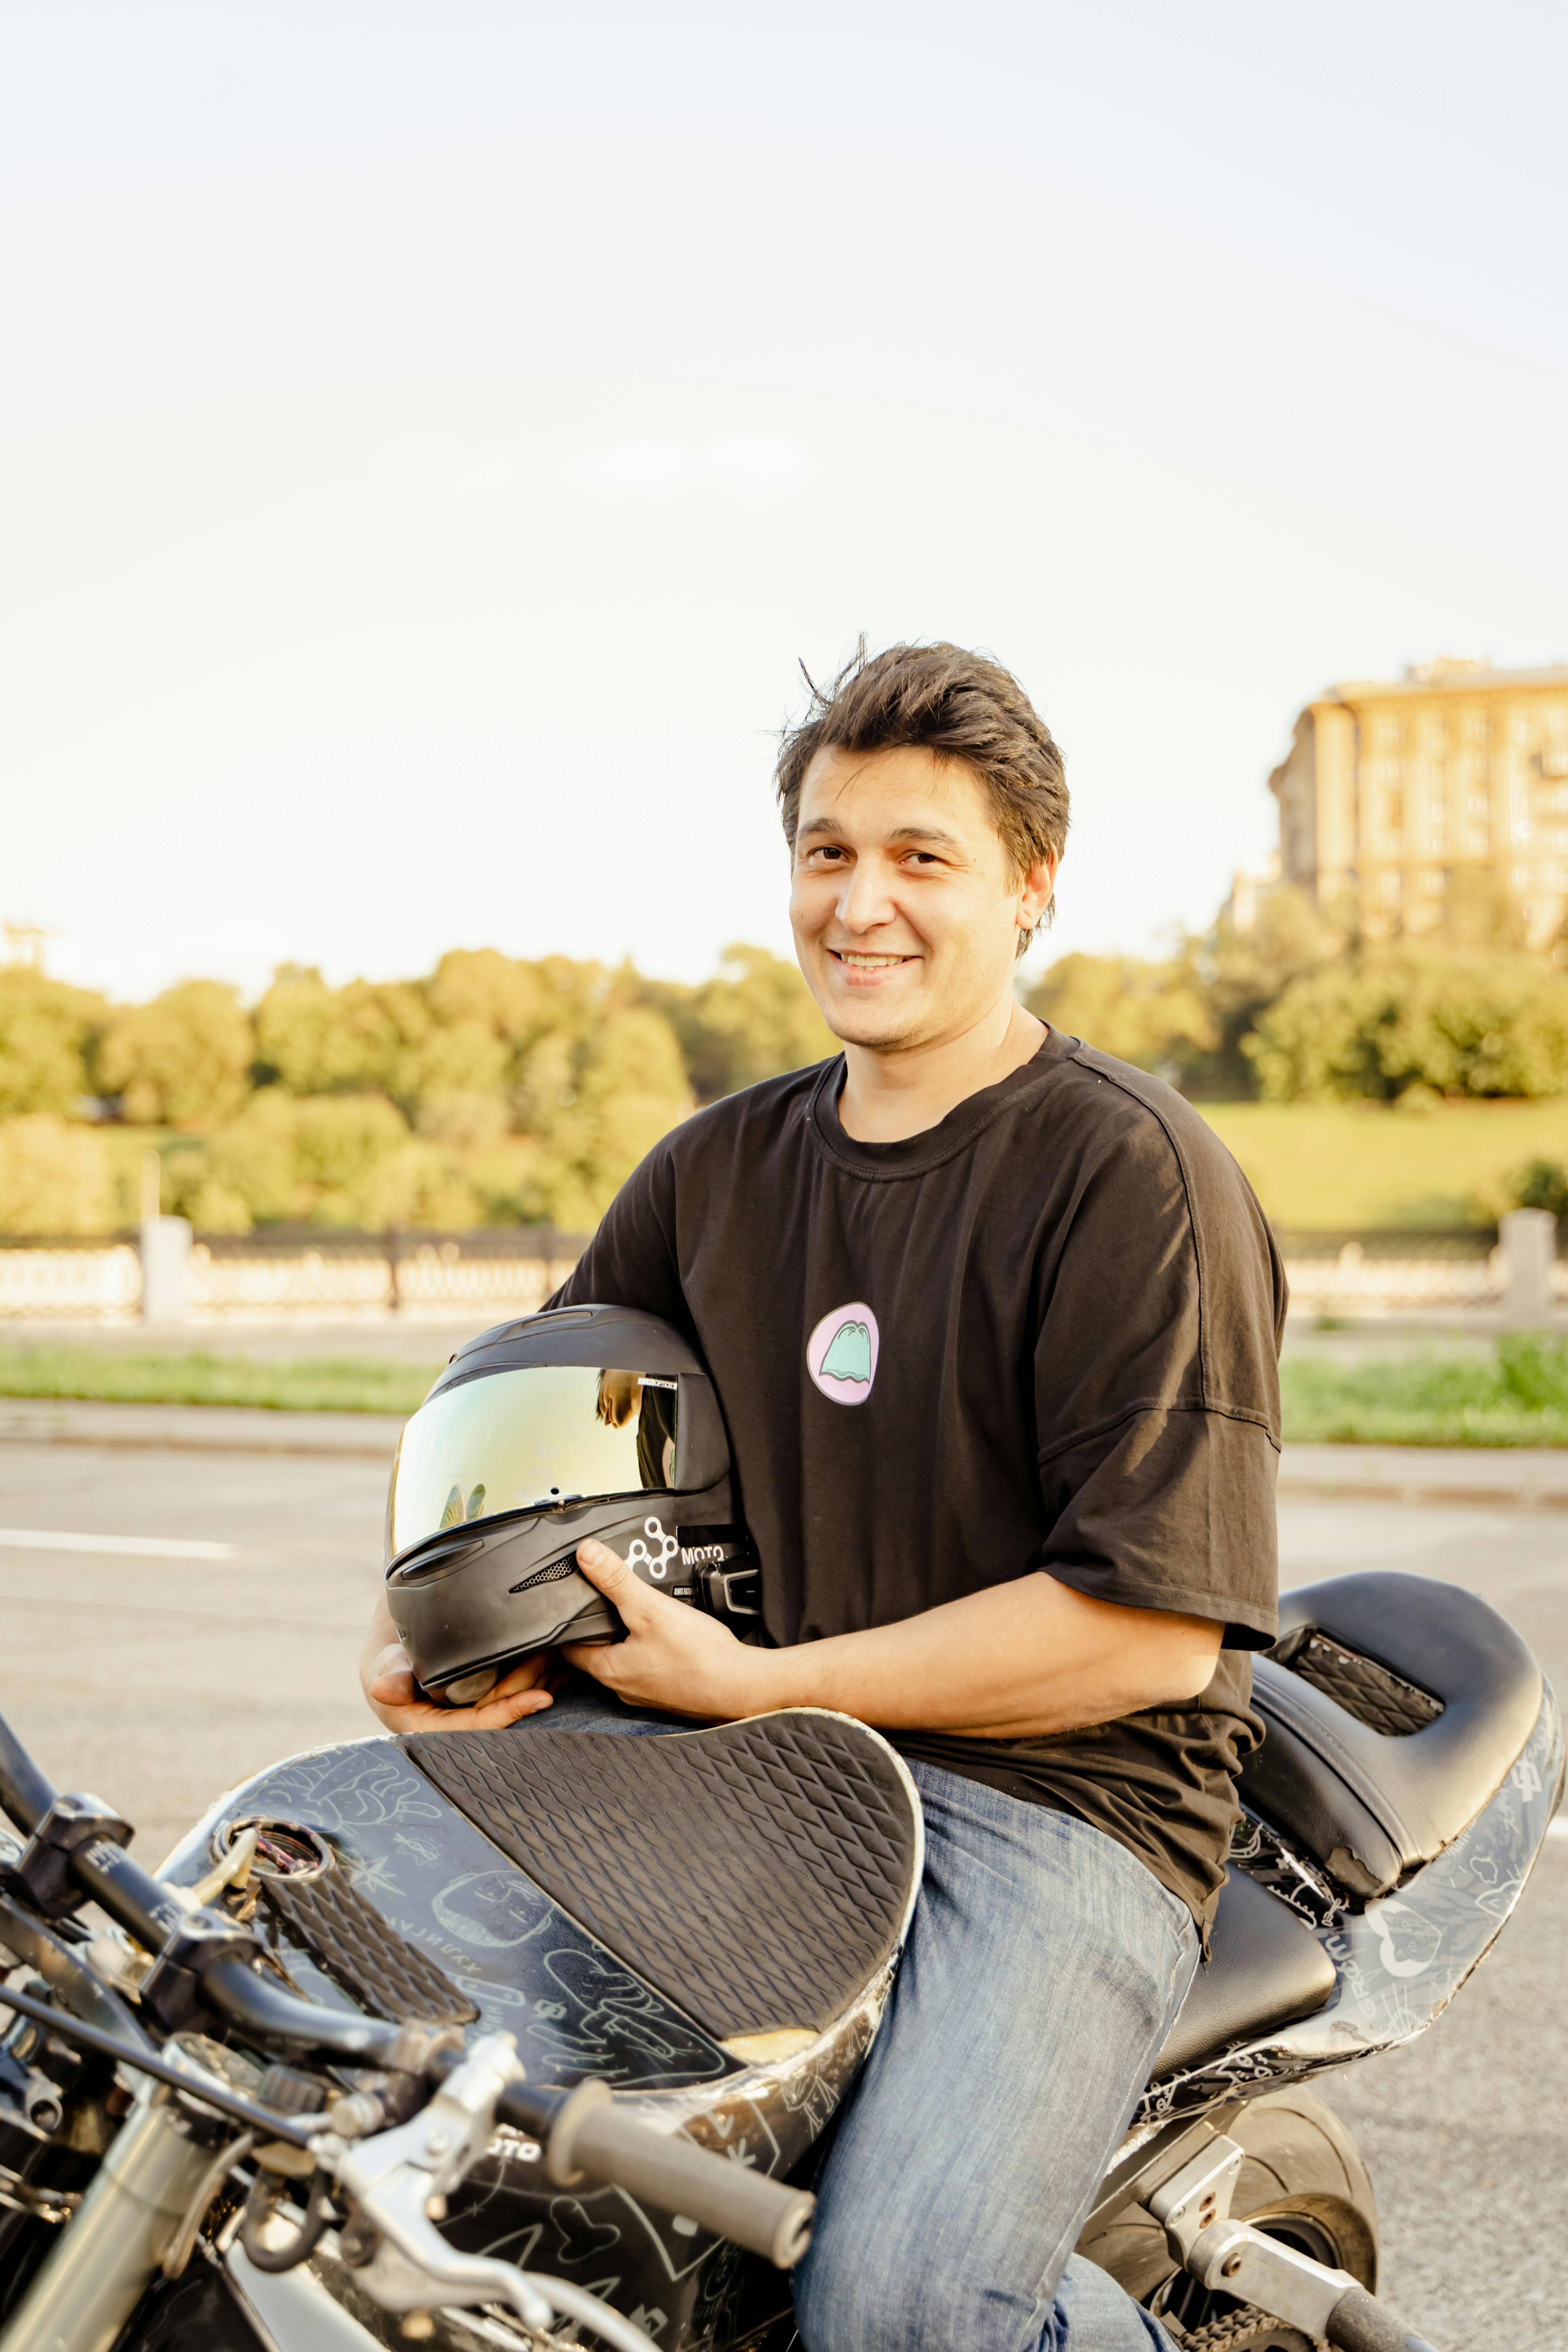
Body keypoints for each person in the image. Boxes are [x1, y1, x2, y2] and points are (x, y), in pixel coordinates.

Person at [361, 641, 1285, 2352]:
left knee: (902, 2304)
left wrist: (761, 1681)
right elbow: (533, 1443)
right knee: (422, 2142)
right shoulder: (709, 1171)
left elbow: (1150, 1633)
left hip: (1054, 1819)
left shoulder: (1132, 1172)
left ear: (1028, 889)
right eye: (825, 849)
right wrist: (446, 1633)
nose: (859, 902)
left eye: (919, 857)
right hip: (755, 1783)